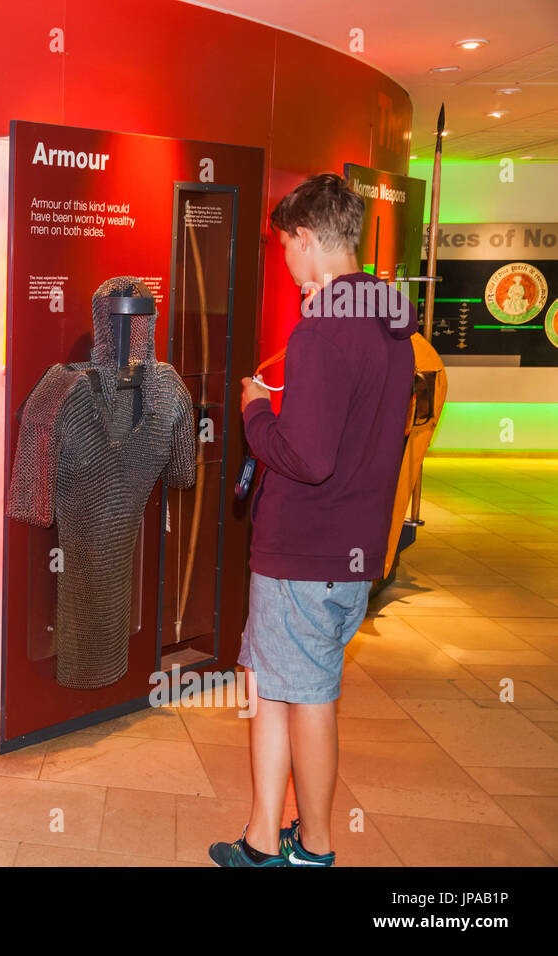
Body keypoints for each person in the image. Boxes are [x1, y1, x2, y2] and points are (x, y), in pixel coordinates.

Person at [209, 173, 416, 867]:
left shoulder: (323, 331)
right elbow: (355, 427)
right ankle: (264, 838)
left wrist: (255, 411)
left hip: (306, 550)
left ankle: (314, 848)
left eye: (285, 248)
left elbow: (308, 457)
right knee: (275, 688)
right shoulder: (387, 321)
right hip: (350, 548)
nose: (286, 263)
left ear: (303, 239)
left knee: (308, 698)